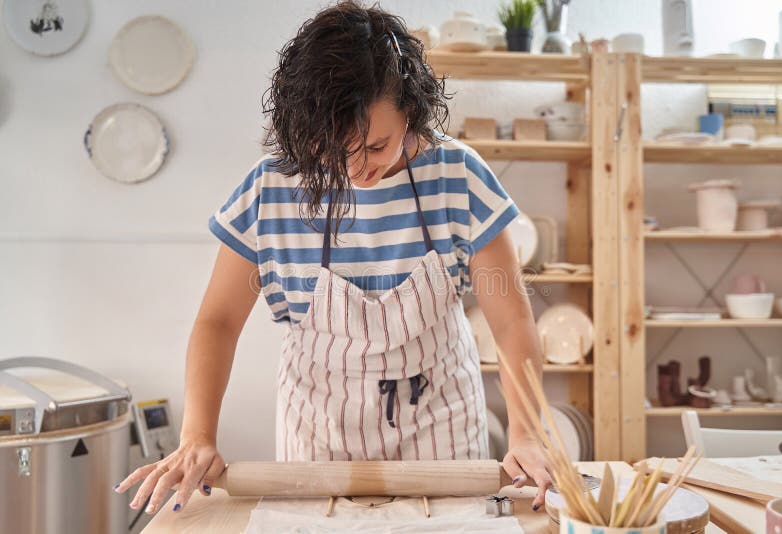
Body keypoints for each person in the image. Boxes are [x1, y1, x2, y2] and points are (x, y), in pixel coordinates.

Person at [114, 1, 551, 516]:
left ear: (410, 110)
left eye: (375, 145)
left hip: (442, 433)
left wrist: (526, 432)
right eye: (333, 149)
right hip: (320, 441)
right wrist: (197, 435)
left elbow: (512, 321)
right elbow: (218, 321)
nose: (354, 168)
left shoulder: (458, 177)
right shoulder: (271, 191)